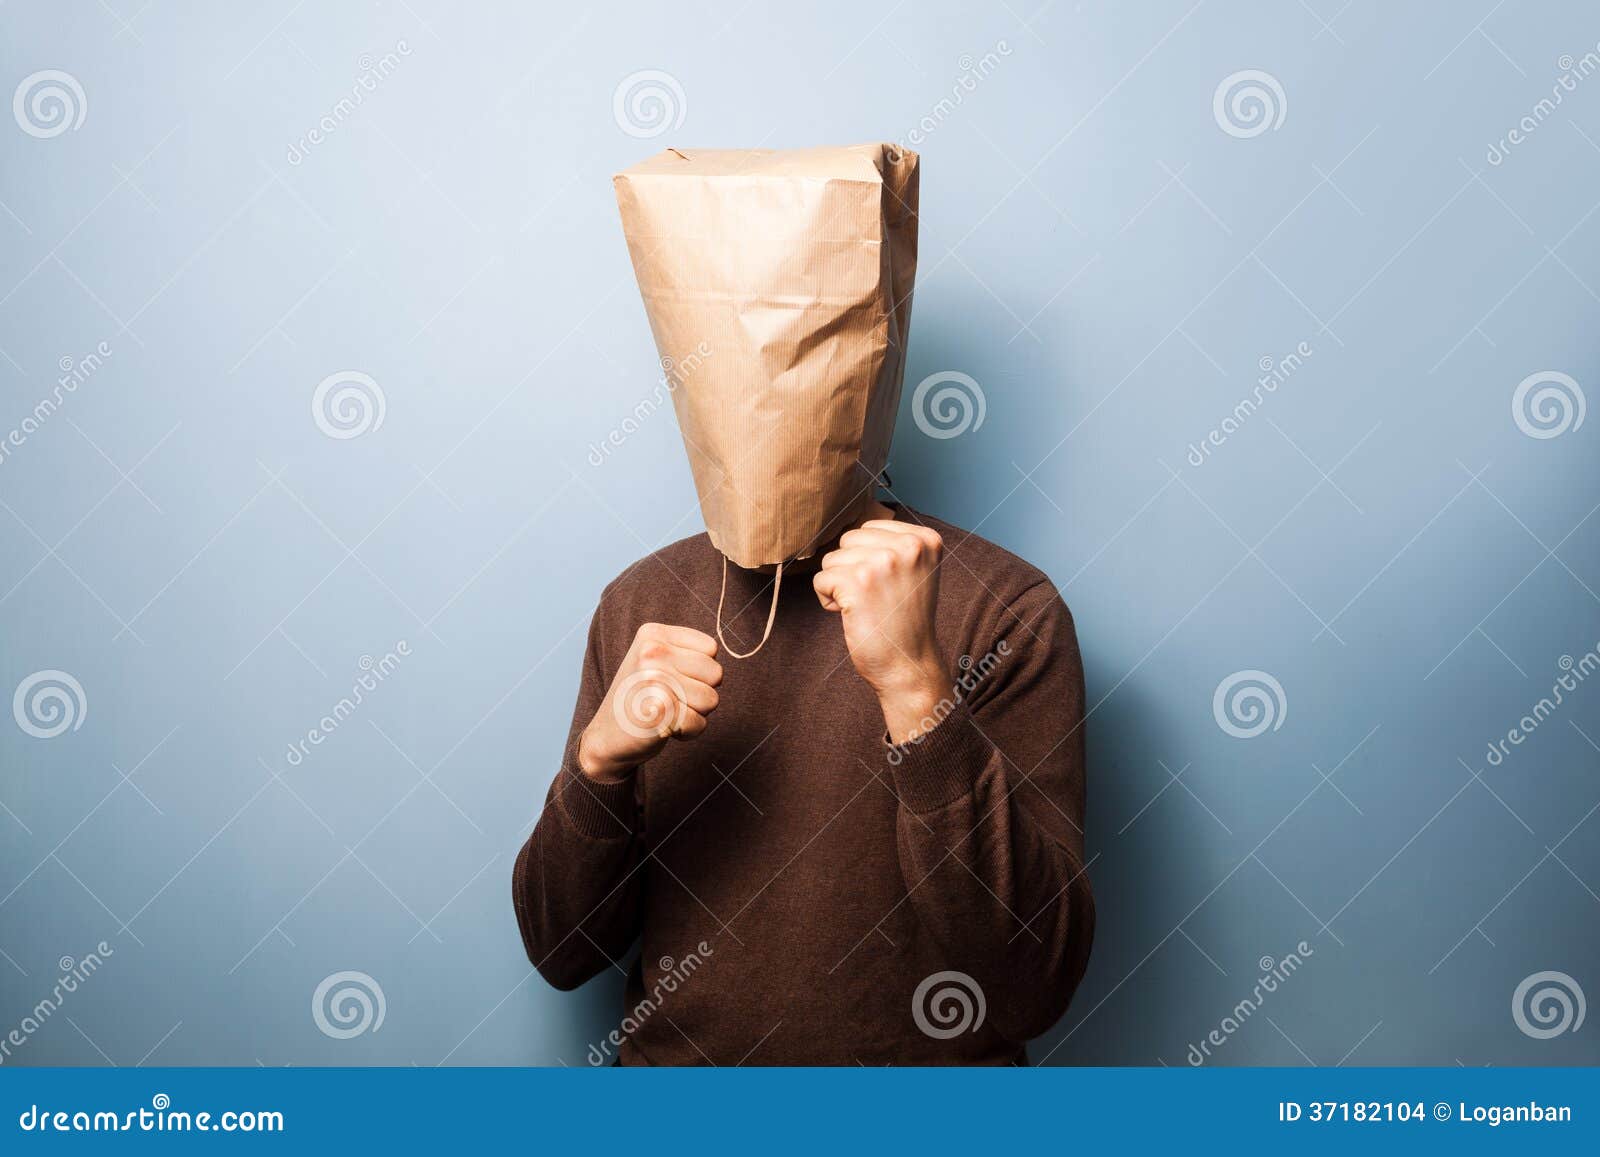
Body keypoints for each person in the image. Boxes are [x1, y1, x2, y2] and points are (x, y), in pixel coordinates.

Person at [512, 494, 1095, 1064]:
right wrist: (597, 770)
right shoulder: (641, 601)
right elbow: (562, 953)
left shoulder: (1006, 607)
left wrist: (916, 687)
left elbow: (1036, 987)